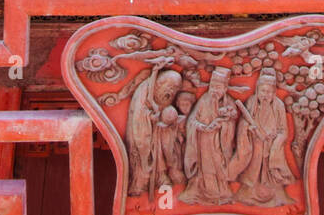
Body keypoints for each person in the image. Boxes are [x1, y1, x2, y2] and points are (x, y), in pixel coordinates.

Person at [232, 67, 294, 206]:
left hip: (271, 145)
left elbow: (284, 131)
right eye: (263, 91)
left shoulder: (279, 105)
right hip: (255, 144)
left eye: (269, 92)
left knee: (271, 174)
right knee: (253, 169)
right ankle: (247, 194)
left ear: (274, 92)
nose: (266, 95)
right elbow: (243, 122)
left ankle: (277, 195)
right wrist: (248, 128)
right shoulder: (252, 102)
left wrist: (275, 143)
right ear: (258, 90)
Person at [180, 66, 239, 205]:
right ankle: (204, 191)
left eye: (218, 87)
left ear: (225, 88)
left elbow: (233, 119)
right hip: (203, 141)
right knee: (205, 166)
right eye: (213, 86)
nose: (214, 90)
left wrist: (224, 124)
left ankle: (220, 192)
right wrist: (202, 127)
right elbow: (192, 121)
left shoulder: (229, 102)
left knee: (218, 165)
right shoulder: (204, 100)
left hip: (219, 143)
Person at [126, 59, 182, 198]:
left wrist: (165, 118)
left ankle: (161, 176)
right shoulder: (145, 90)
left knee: (161, 152)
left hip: (158, 131)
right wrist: (149, 116)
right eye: (170, 86)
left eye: (175, 89)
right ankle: (141, 182)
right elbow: (138, 114)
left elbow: (166, 110)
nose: (171, 91)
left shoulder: (165, 95)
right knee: (143, 156)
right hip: (143, 131)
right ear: (162, 83)